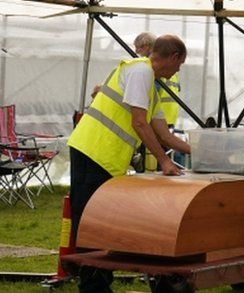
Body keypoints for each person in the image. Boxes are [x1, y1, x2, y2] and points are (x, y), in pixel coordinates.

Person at [68, 34, 191, 292]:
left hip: (107, 158)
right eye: (179, 65)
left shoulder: (151, 87)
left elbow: (165, 135)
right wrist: (164, 162)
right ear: (174, 57)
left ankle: (98, 284)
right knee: (91, 223)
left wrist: (203, 150)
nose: (177, 72)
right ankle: (92, 286)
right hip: (93, 151)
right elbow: (139, 122)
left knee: (102, 222)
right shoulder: (140, 72)